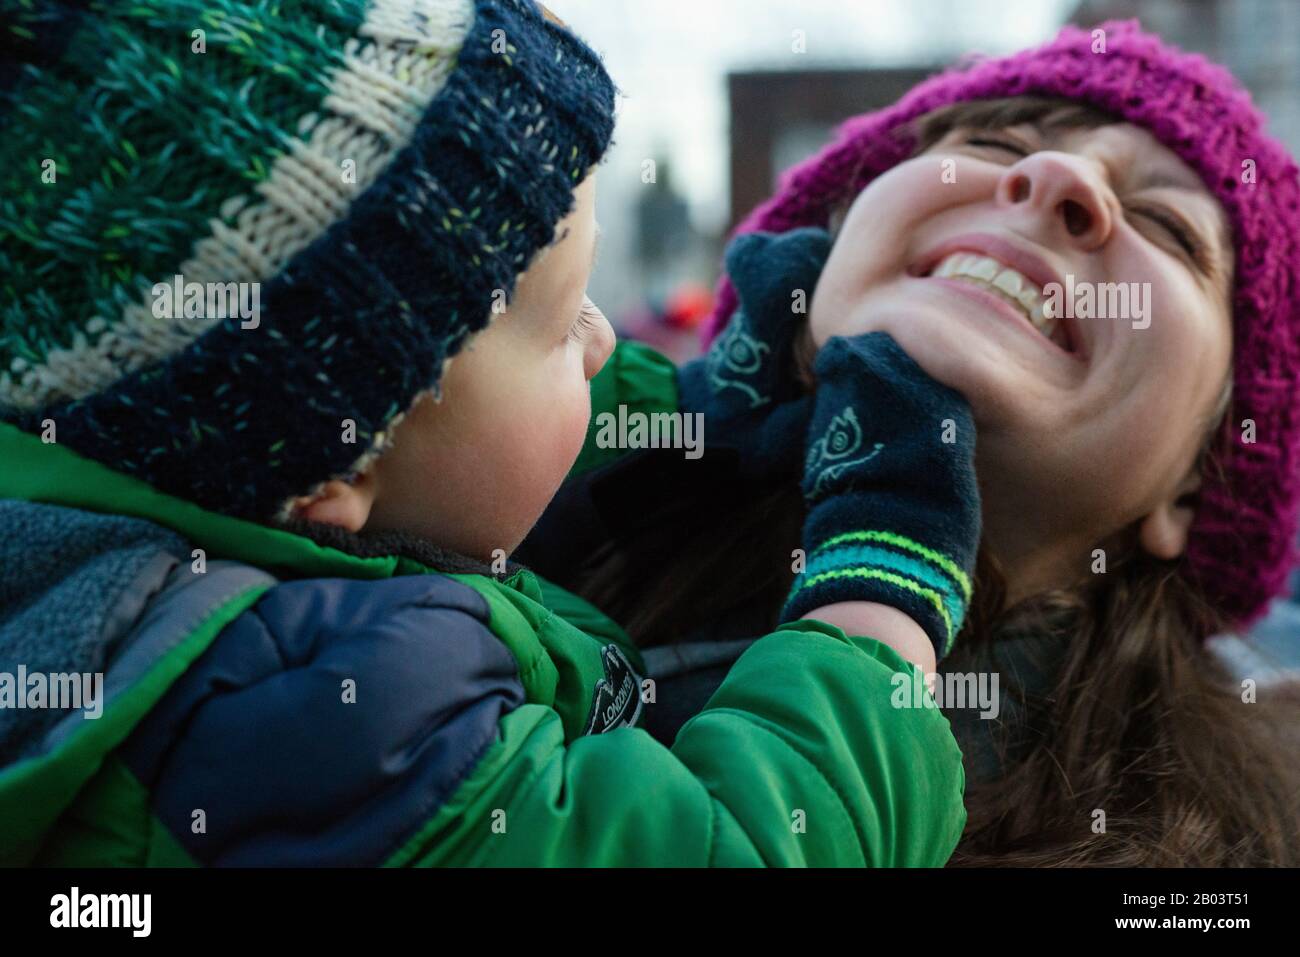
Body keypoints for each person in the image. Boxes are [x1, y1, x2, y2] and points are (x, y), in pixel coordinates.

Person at [0, 0, 968, 867]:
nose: (601, 337)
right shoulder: (329, 729)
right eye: (559, 322)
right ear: (344, 457)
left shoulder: (220, 521)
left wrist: (728, 393)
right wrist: (881, 586)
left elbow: (480, 445)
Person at [521, 19, 1300, 866]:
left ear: (1192, 490)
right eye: (995, 142)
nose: (1056, 176)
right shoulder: (467, 498)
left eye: (1166, 225)